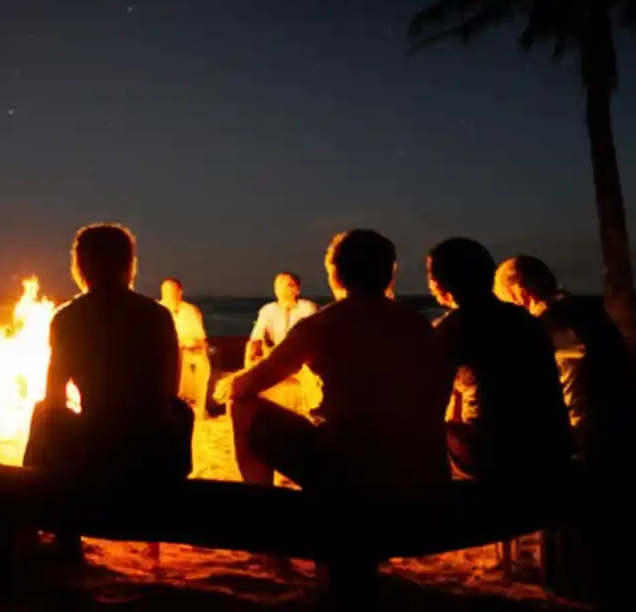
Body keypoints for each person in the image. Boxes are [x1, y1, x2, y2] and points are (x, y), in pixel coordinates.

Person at [216, 230, 454, 493]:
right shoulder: (422, 327)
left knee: (242, 404)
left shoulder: (322, 325)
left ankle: (263, 507)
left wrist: (230, 383)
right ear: (389, 274)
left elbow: (249, 384)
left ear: (335, 274)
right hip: (421, 468)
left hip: (346, 468)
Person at [494, 255, 636, 607]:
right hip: (622, 428)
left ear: (520, 292)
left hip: (587, 436)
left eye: (506, 298)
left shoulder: (550, 323)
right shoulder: (589, 314)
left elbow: (546, 381)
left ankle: (570, 578)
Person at [24, 224, 194, 557]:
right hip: (155, 457)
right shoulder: (158, 315)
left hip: (97, 453)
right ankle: (153, 532)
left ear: (80, 267)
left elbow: (55, 395)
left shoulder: (69, 318)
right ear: (130, 265)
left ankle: (59, 533)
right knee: (180, 411)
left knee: (44, 412)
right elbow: (167, 392)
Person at [426, 238, 573, 481]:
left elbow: (429, 400)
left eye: (431, 276)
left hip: (496, 454)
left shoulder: (454, 328)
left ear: (440, 282)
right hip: (551, 446)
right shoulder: (525, 321)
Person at [159, 277, 211, 416]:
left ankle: (194, 408)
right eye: (165, 291)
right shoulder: (158, 310)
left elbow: (199, 339)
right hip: (163, 353)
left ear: (179, 292)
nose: (169, 294)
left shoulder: (189, 311)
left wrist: (185, 343)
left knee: (194, 362)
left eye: (172, 290)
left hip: (188, 352)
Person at [246, 271, 318, 366]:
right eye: (280, 283)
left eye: (289, 284)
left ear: (297, 289)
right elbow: (256, 337)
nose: (283, 287)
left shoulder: (307, 308)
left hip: (302, 358)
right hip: (276, 356)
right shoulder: (268, 310)